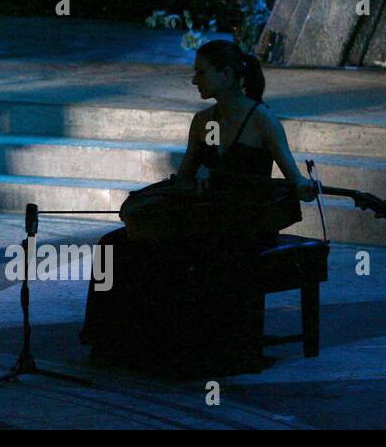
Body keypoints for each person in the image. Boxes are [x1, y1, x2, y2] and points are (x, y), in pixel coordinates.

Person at [80, 40, 319, 374]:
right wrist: (180, 187)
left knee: (186, 256)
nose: (195, 81)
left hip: (242, 225)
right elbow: (184, 179)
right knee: (113, 247)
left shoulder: (261, 119)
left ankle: (189, 350)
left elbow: (295, 181)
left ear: (226, 74)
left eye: (201, 73)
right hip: (200, 218)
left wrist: (306, 186)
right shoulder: (203, 121)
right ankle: (119, 343)